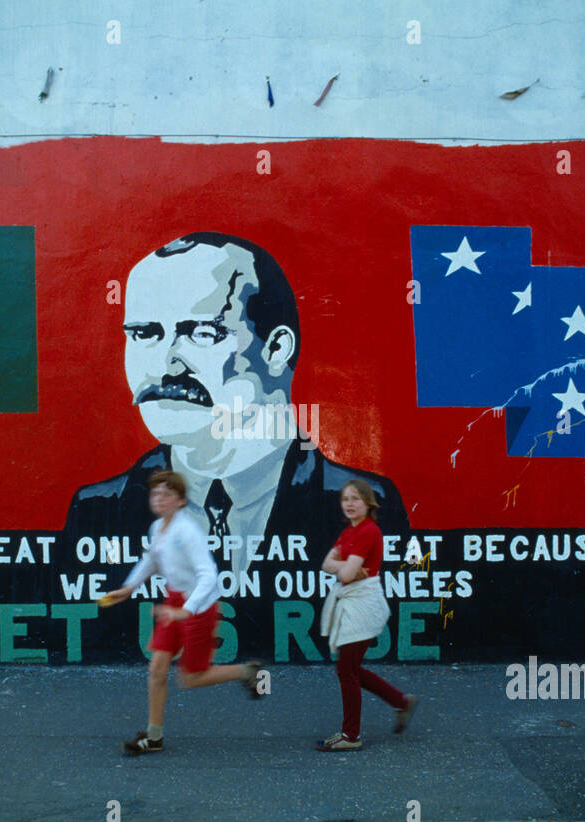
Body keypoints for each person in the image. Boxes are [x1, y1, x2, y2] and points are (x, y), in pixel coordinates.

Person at [64, 232, 408, 574]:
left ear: (275, 350)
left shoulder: (365, 504)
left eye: (201, 333)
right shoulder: (99, 509)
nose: (166, 365)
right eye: (144, 334)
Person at [101, 470, 263, 754]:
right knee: (156, 670)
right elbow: (152, 559)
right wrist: (128, 588)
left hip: (199, 607)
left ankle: (246, 671)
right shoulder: (157, 528)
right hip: (173, 603)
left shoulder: (188, 532)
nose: (159, 499)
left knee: (190, 679)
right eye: (155, 493)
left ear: (181, 501)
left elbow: (209, 576)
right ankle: (153, 737)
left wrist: (186, 611)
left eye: (167, 494)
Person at [314, 479, 417, 751]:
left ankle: (351, 736)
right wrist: (344, 566)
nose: (349, 504)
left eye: (355, 499)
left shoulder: (368, 532)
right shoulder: (350, 531)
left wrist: (344, 567)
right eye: (345, 499)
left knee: (346, 670)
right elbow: (326, 564)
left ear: (368, 503)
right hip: (353, 603)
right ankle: (401, 701)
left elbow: (344, 573)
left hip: (362, 605)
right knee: (351, 669)